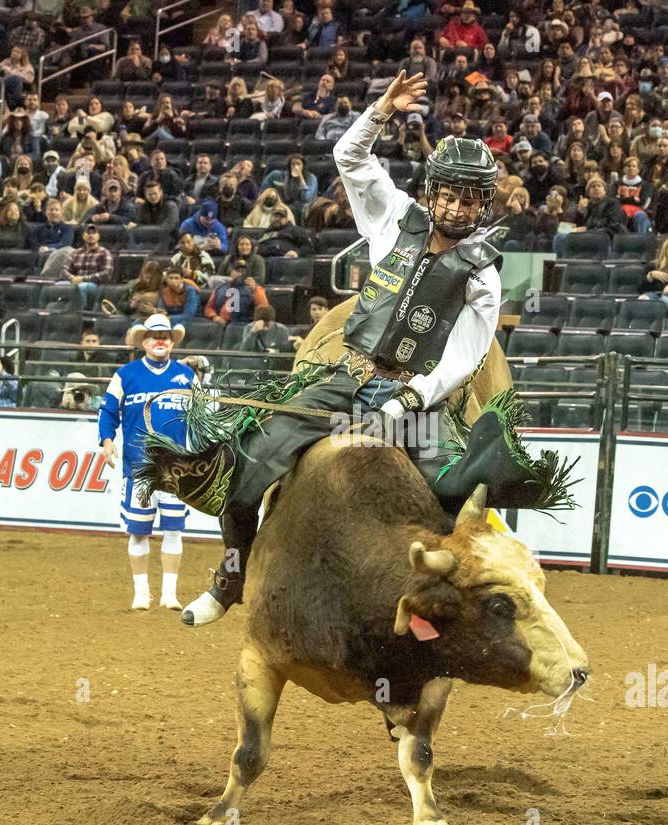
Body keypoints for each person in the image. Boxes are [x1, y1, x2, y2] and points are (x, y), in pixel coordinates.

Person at [144, 69, 568, 627]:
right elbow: (349, 155)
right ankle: (231, 576)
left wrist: (409, 401)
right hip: (346, 379)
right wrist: (382, 111)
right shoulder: (393, 217)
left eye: (471, 200)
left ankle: (433, 612)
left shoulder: (483, 277)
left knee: (451, 498)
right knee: (247, 457)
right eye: (450, 194)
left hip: (417, 403)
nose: (459, 209)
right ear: (432, 190)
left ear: (483, 204)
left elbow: (463, 357)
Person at [98, 314, 194, 610]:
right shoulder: (125, 375)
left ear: (172, 342)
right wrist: (106, 440)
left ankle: (169, 593)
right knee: (138, 531)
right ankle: (141, 593)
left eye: (165, 335)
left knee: (173, 529)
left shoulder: (188, 376)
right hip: (138, 468)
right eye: (154, 336)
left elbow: (202, 416)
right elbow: (108, 412)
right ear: (144, 342)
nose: (160, 340)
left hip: (176, 469)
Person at [65, 223, 115, 312]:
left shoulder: (104, 252)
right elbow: (65, 270)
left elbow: (107, 274)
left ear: (98, 236)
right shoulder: (76, 252)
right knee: (56, 286)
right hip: (75, 282)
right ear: (83, 236)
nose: (91, 235)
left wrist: (83, 279)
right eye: (88, 232)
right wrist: (71, 278)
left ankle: (79, 315)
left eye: (94, 233)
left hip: (96, 285)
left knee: (80, 287)